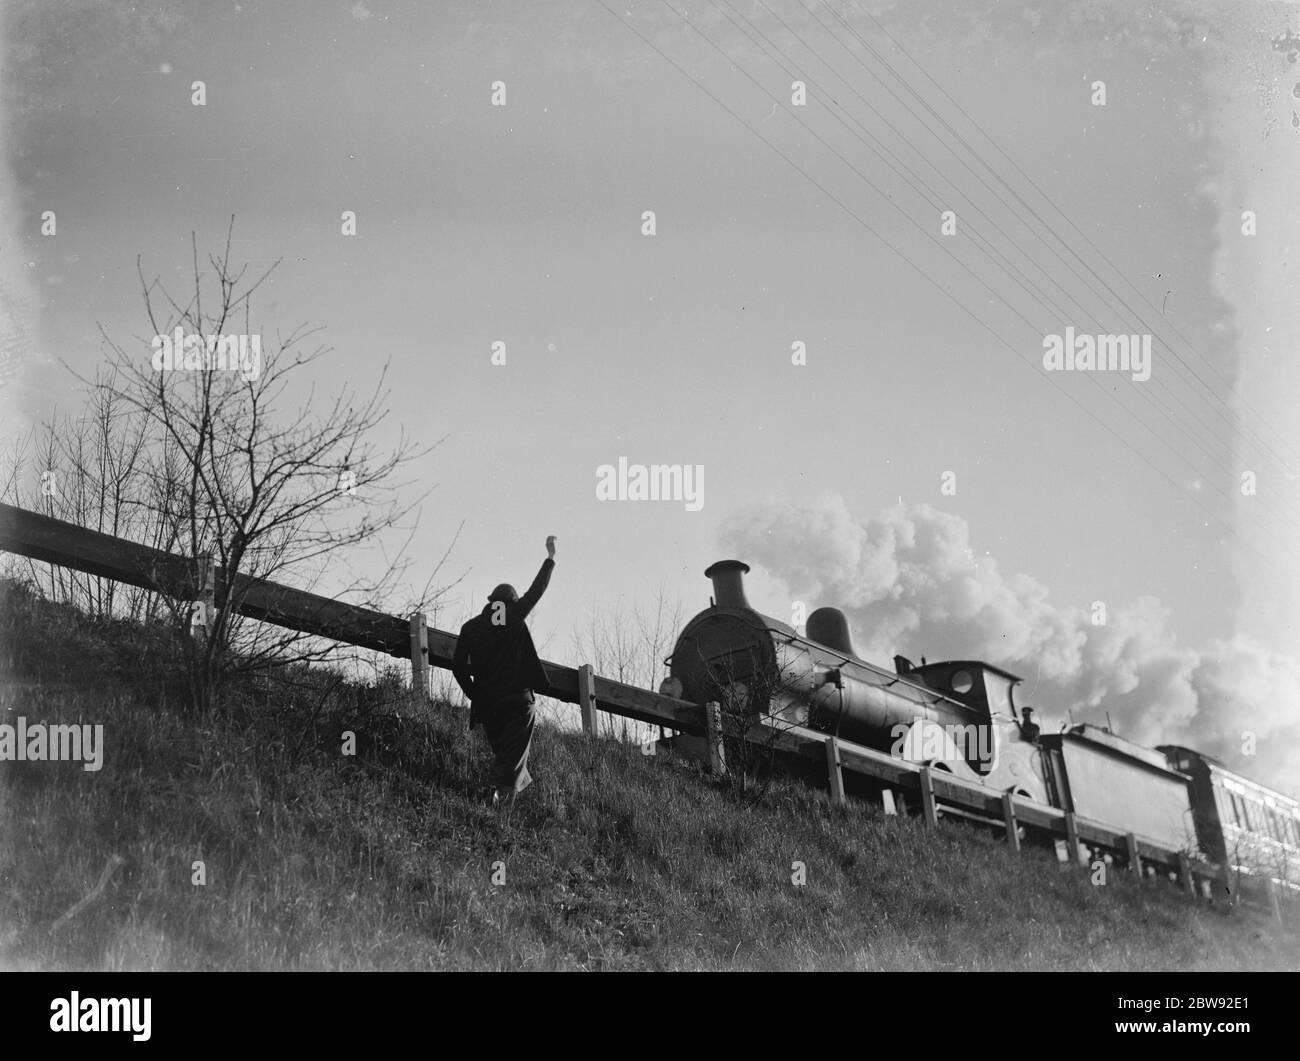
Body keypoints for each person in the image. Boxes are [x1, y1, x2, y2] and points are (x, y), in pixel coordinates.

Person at [452, 536, 557, 805]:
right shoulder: (513, 617)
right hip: (518, 702)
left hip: (488, 705)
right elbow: (536, 591)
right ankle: (501, 806)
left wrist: (474, 693)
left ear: (490, 602)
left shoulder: (470, 628)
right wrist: (550, 558)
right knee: (511, 758)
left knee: (505, 754)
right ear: (511, 603)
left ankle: (505, 796)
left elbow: (457, 666)